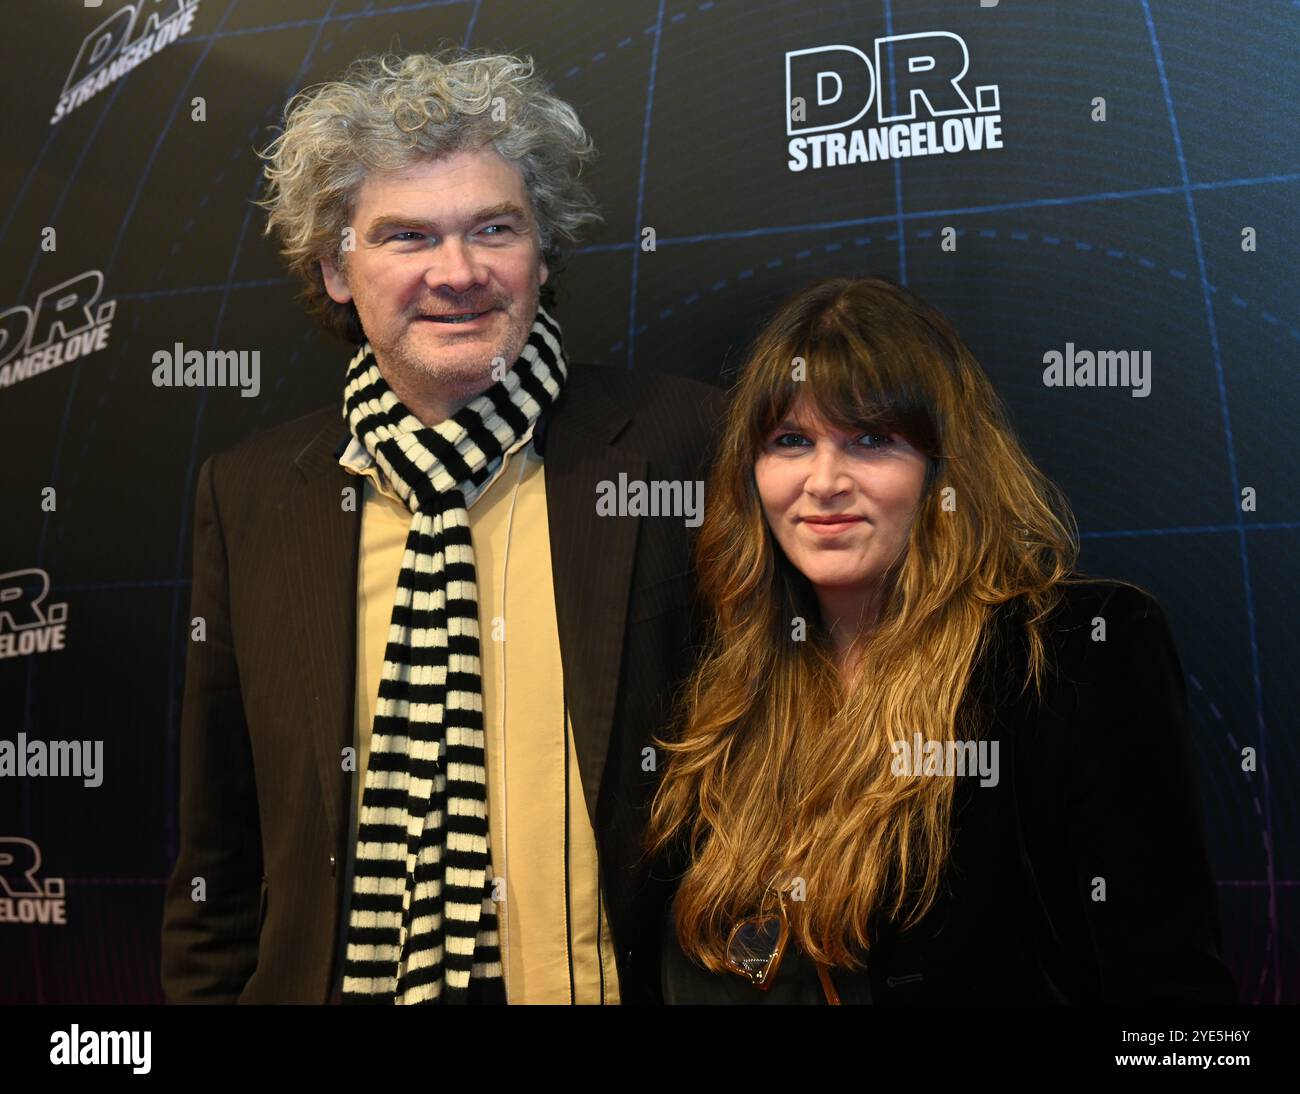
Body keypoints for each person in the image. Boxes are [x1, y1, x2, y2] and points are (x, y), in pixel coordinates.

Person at [159, 48, 725, 1004]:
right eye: (407, 237)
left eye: (493, 228)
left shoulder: (684, 444)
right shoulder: (253, 494)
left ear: (543, 252)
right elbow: (220, 849)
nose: (457, 273)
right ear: (338, 269)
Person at [643, 276, 1236, 1004]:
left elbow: (1178, 1002)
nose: (823, 482)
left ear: (944, 467)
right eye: (791, 441)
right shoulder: (728, 691)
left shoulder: (1072, 656)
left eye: (870, 440)